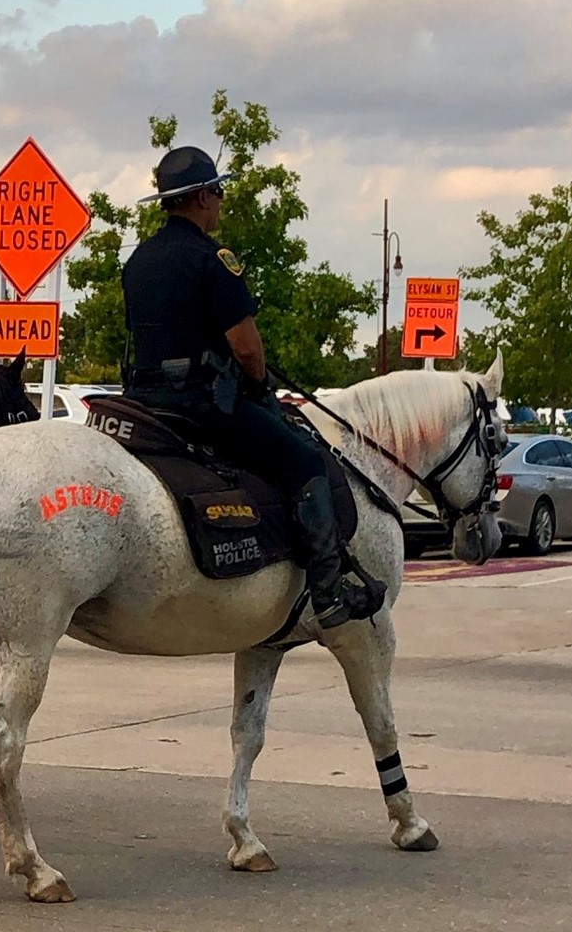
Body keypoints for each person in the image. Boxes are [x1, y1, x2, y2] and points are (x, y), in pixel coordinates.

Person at [119, 146, 383, 628]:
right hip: (199, 404)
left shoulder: (138, 260)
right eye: (218, 191)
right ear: (200, 197)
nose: (221, 201)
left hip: (142, 403)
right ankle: (327, 588)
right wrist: (258, 386)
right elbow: (246, 349)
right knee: (302, 459)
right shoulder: (213, 260)